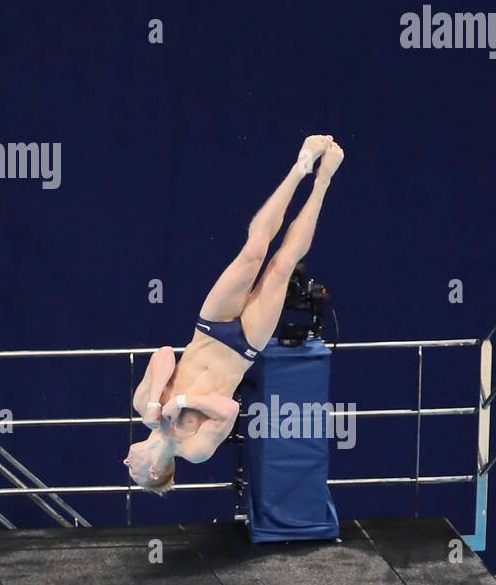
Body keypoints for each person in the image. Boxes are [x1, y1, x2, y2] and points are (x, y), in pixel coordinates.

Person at [124, 136, 342, 492]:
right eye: (131, 472)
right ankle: (322, 182)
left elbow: (163, 354)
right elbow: (228, 410)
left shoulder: (142, 407)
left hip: (210, 329)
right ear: (154, 473)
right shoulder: (194, 450)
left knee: (254, 252)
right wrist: (180, 401)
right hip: (243, 347)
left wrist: (155, 402)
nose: (126, 461)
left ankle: (300, 167)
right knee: (283, 265)